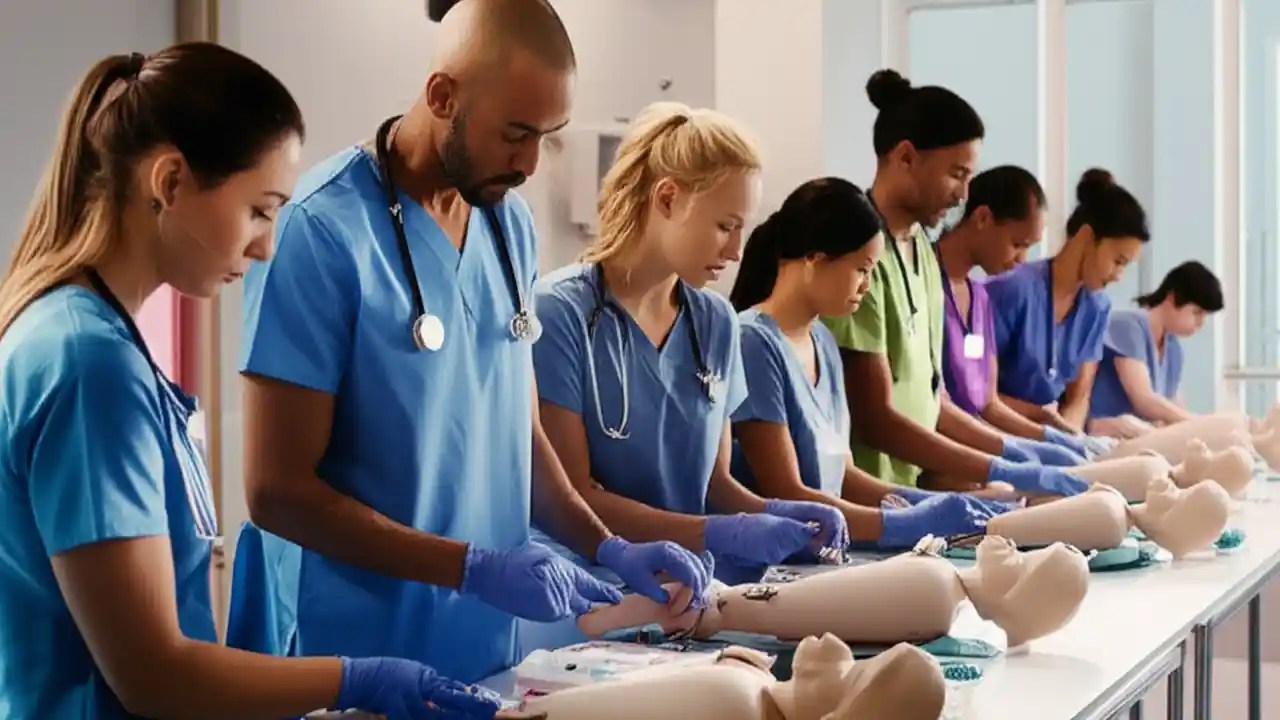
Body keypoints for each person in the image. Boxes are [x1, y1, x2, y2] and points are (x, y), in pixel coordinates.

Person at [0, 44, 500, 720]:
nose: (266, 245)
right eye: (260, 210)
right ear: (170, 183)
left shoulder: (91, 340)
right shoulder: (88, 363)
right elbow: (157, 676)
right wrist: (355, 679)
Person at [225, 0, 709, 686]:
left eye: (548, 135)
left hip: (486, 648)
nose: (532, 163)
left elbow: (517, 429)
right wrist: (471, 567)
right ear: (442, 96)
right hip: (355, 657)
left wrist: (605, 544)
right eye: (515, 133)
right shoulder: (322, 230)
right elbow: (276, 490)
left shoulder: (506, 226)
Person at [532, 103, 848, 584]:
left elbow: (715, 485)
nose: (738, 251)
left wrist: (784, 516)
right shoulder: (561, 313)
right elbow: (573, 496)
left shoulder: (715, 321)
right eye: (725, 226)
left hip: (691, 587)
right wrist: (720, 533)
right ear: (667, 199)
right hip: (591, 588)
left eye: (743, 228)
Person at [821, 69, 1086, 497]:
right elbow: (875, 419)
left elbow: (936, 402)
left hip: (915, 483)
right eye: (957, 175)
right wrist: (1003, 465)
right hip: (868, 495)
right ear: (905, 157)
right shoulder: (857, 256)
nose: (964, 195)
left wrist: (1018, 453)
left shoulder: (924, 254)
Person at [725, 177, 1007, 544]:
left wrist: (931, 503)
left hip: (828, 551)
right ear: (815, 259)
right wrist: (904, 523)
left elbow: (843, 475)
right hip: (777, 558)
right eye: (862, 269)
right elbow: (788, 493)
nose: (868, 286)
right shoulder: (753, 343)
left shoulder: (824, 342)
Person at [933, 165, 1089, 462]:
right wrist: (1008, 453)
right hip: (937, 457)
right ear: (982, 218)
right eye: (1017, 244)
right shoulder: (926, 283)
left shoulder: (979, 298)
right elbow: (935, 406)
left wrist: (1048, 434)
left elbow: (988, 403)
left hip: (971, 451)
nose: (1021, 261)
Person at [987, 168, 1151, 439]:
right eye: (1118, 261)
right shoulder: (1011, 291)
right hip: (993, 437)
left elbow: (1079, 398)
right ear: (1086, 237)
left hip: (1050, 438)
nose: (1118, 275)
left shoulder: (1097, 309)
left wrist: (1066, 442)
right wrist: (1041, 428)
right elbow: (973, 393)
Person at [1088, 261, 1223, 427]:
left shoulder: (1173, 348)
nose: (1201, 323)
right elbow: (1143, 400)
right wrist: (1198, 424)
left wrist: (1196, 425)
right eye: (1196, 313)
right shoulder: (1127, 326)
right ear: (1172, 297)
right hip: (1104, 429)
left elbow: (1174, 406)